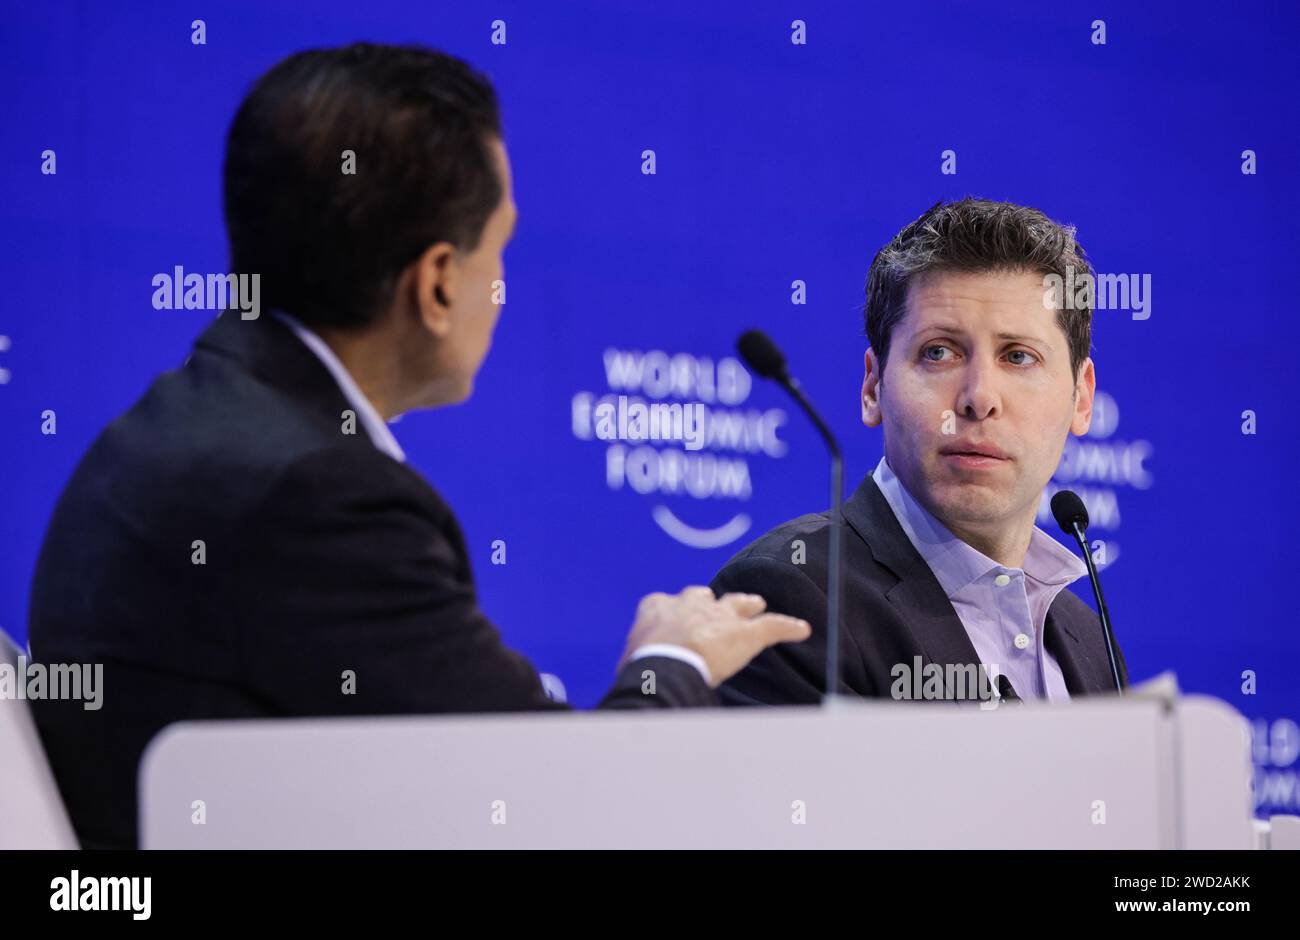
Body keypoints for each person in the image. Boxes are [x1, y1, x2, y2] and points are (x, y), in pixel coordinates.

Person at [27, 43, 810, 849]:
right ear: (437, 283)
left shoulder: (176, 431)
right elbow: (551, 810)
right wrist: (669, 665)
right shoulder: (320, 498)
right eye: (500, 248)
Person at [711, 198, 1128, 706]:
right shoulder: (789, 597)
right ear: (873, 386)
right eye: (939, 352)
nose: (979, 398)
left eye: (1019, 356)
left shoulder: (1090, 641)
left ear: (1081, 398)